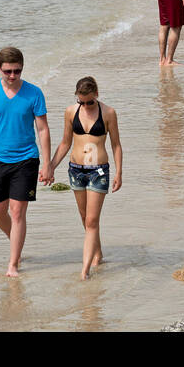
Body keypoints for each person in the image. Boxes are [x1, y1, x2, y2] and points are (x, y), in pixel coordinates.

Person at [0, 47, 53, 277]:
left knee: (17, 213)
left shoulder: (34, 93)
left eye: (17, 71)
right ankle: (16, 240)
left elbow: (43, 129)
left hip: (26, 159)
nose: (13, 76)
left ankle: (13, 264)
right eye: (8, 71)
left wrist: (47, 164)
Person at [49, 76, 123, 280]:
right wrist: (51, 166)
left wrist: (119, 173)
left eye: (90, 101)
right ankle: (97, 254)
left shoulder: (108, 113)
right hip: (76, 170)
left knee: (91, 220)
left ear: (96, 94)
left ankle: (85, 270)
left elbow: (116, 145)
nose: (86, 105)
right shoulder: (71, 112)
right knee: (85, 218)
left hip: (98, 171)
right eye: (82, 101)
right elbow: (65, 143)